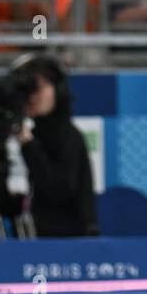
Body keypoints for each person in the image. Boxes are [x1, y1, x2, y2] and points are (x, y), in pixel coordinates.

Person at [11, 54, 99, 237]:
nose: (33, 97)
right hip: (42, 240)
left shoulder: (68, 136)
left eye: (39, 88)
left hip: (70, 245)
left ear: (57, 90)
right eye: (29, 90)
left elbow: (60, 190)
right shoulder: (35, 134)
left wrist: (29, 147)